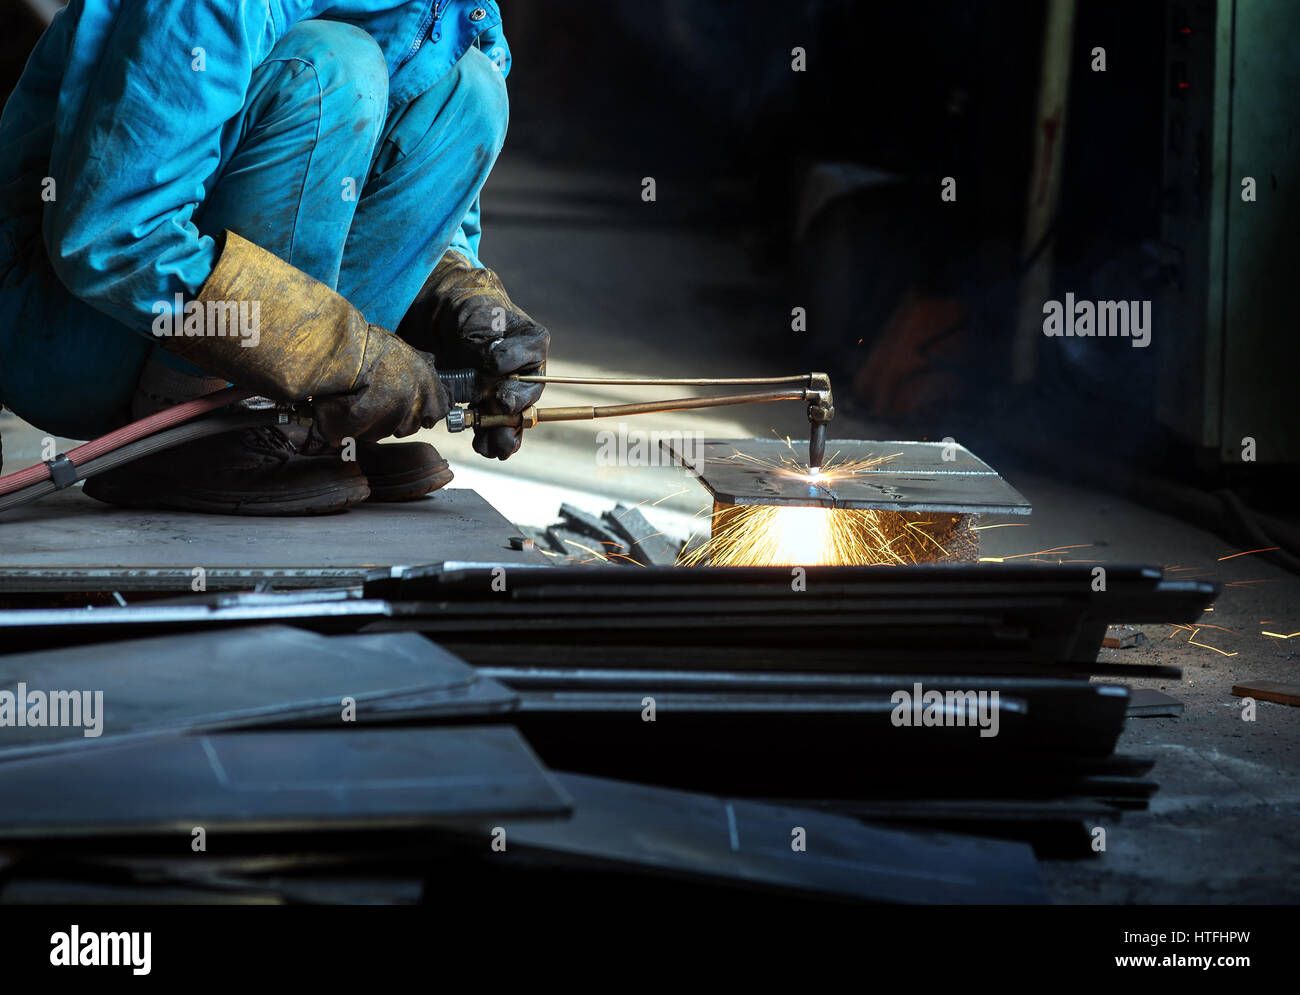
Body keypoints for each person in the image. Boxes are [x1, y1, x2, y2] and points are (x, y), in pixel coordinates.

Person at [0, 1, 547, 514]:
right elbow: (112, 240)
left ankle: (309, 429)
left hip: (210, 344)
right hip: (64, 329)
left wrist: (458, 300)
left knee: (471, 92)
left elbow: (427, 211)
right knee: (331, 68)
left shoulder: (453, 13)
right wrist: (340, 353)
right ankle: (194, 433)